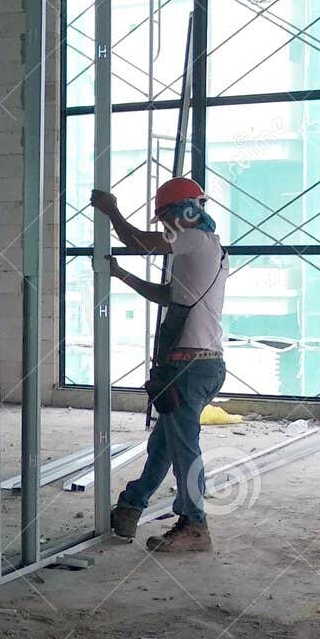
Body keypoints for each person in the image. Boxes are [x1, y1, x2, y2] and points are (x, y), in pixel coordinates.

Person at [90, 178, 229, 553]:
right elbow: (165, 295)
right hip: (200, 365)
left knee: (184, 448)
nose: (164, 225)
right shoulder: (203, 248)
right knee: (164, 445)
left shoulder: (194, 237)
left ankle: (195, 525)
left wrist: (111, 210)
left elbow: (138, 243)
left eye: (166, 216)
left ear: (185, 211)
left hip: (191, 366)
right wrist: (122, 275)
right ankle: (131, 506)